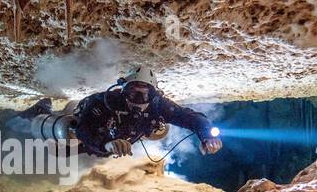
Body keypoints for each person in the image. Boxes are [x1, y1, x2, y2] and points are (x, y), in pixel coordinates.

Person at [16, 65, 222, 158]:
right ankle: (40, 111)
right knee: (62, 143)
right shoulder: (106, 102)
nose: (138, 101)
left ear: (154, 95)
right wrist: (106, 143)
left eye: (144, 95)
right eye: (133, 94)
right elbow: (85, 130)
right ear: (124, 93)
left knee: (161, 130)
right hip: (92, 135)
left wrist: (206, 136)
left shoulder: (159, 106)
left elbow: (193, 118)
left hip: (115, 143)